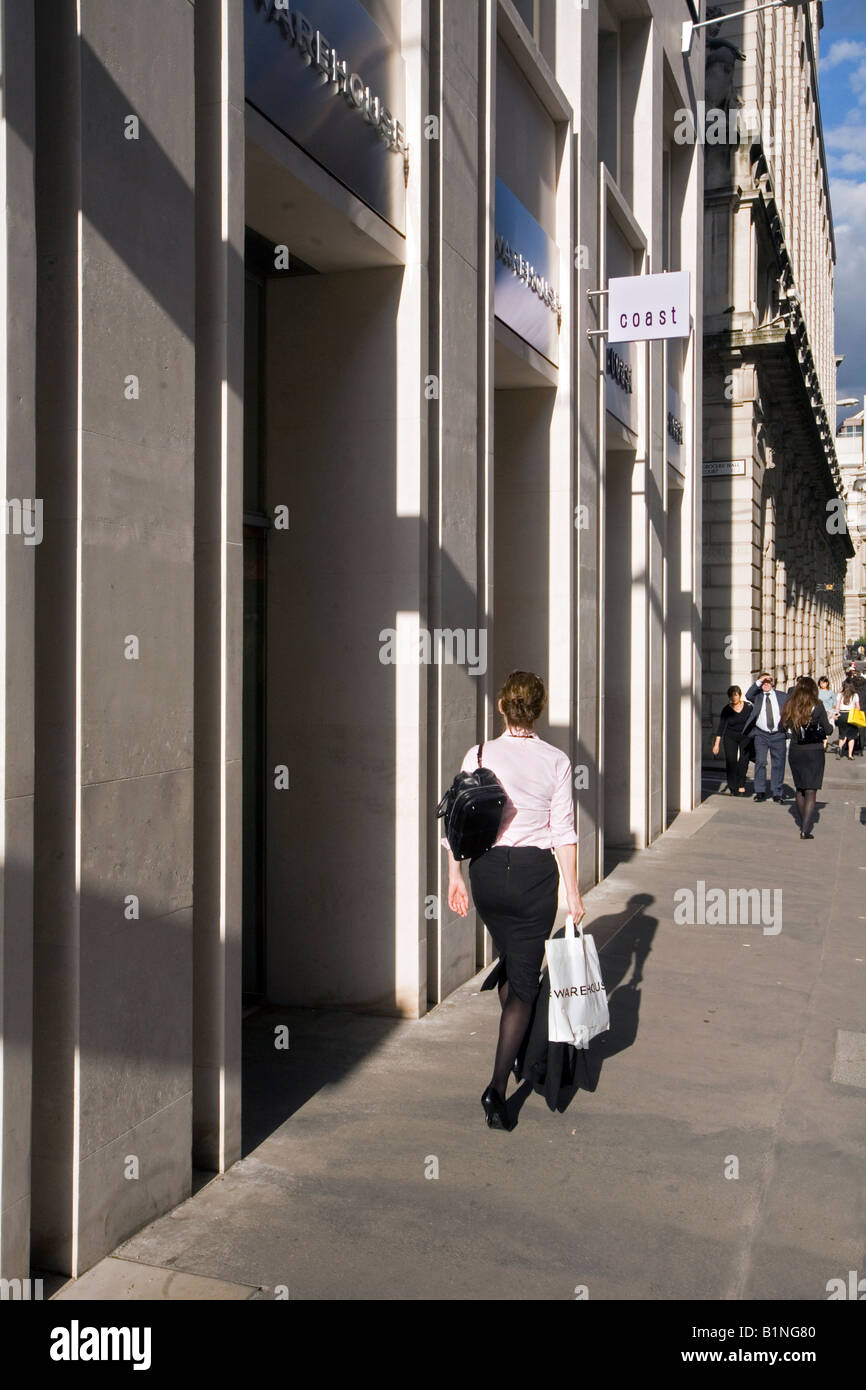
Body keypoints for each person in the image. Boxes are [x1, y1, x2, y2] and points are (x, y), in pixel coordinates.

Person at [444, 671, 585, 1133]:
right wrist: (573, 892)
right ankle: (497, 1088)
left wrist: (455, 877)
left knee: (515, 966)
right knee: (524, 988)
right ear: (539, 709)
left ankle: (519, 1037)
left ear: (503, 707)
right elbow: (563, 832)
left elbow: (456, 818)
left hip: (487, 876)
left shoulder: (480, 753)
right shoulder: (557, 761)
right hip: (531, 879)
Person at [781, 677, 832, 839]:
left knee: (800, 788)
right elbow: (829, 730)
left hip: (796, 751)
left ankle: (803, 822)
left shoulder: (790, 704)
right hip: (814, 751)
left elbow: (781, 726)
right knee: (811, 790)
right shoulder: (818, 706)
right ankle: (805, 828)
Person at [742, 673, 792, 802]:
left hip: (778, 734)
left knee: (779, 764)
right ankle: (760, 791)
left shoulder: (782, 696)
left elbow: (790, 711)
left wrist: (788, 730)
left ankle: (777, 792)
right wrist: (759, 681)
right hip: (761, 734)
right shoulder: (757, 697)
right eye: (763, 682)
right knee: (760, 762)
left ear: (773, 683)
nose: (766, 684)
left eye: (768, 681)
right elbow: (748, 695)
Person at [711, 685, 753, 795]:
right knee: (731, 761)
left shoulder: (748, 707)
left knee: (744, 760)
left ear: (739, 695)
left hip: (745, 737)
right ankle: (733, 786)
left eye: (736, 695)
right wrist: (716, 744)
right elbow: (721, 727)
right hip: (730, 737)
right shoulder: (726, 710)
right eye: (732, 696)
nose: (734, 698)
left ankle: (741, 785)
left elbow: (753, 722)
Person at [834, 679, 861, 761]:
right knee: (852, 736)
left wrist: (835, 714)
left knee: (842, 734)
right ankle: (850, 754)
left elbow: (837, 707)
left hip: (842, 715)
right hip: (851, 715)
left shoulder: (840, 695)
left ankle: (840, 748)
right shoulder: (855, 695)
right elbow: (858, 707)